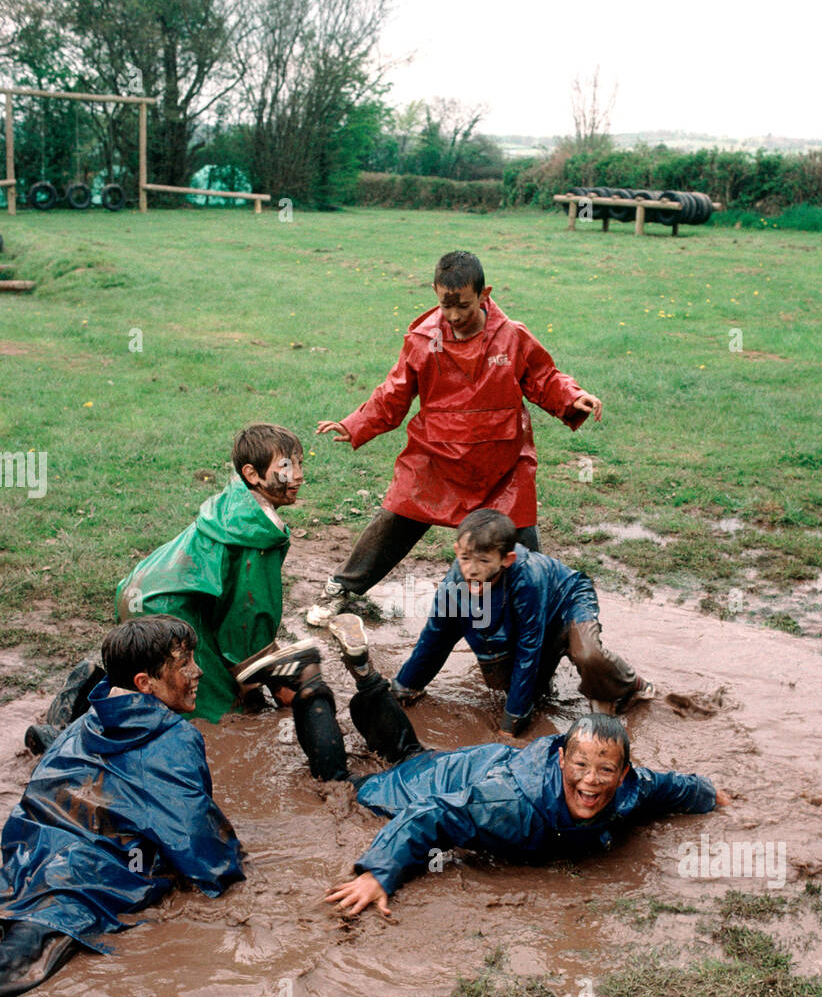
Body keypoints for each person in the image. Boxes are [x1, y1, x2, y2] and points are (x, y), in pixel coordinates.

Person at [25, 424, 349, 776]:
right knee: (213, 710)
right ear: (252, 474)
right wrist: (271, 682)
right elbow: (246, 624)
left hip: (144, 591)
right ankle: (79, 739)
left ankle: (96, 685)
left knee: (169, 680)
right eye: (287, 466)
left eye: (300, 464)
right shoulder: (257, 537)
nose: (298, 475)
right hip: (167, 611)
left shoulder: (237, 506)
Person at [307, 249, 603, 624]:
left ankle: (541, 611)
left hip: (502, 464)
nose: (454, 315)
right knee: (395, 519)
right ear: (434, 291)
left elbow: (544, 378)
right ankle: (342, 589)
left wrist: (574, 397)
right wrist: (355, 423)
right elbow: (395, 392)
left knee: (521, 545)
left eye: (463, 305)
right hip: (435, 456)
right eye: (445, 305)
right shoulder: (421, 339)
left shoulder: (512, 336)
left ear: (484, 294)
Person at [0, 617, 247, 997]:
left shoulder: (86, 719)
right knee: (24, 956)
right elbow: (200, 845)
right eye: (184, 664)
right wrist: (235, 875)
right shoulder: (175, 739)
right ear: (145, 684)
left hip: (21, 849)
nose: (198, 671)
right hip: (82, 878)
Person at [325, 712, 730, 918]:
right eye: (580, 766)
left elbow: (674, 787)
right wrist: (377, 873)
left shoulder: (632, 787)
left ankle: (370, 688)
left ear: (622, 773)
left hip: (478, 766)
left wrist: (715, 796)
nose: (591, 782)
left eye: (605, 770)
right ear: (560, 760)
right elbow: (429, 813)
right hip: (421, 787)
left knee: (408, 751)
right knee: (349, 784)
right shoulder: (508, 805)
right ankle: (332, 687)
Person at [390, 508, 652, 734]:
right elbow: (434, 639)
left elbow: (529, 646)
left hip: (567, 599)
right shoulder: (453, 588)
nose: (472, 569)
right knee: (518, 688)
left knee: (587, 653)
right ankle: (544, 680)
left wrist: (510, 725)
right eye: (466, 558)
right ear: (457, 550)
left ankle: (632, 684)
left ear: (507, 559)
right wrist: (404, 688)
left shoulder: (528, 578)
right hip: (527, 613)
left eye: (483, 560)